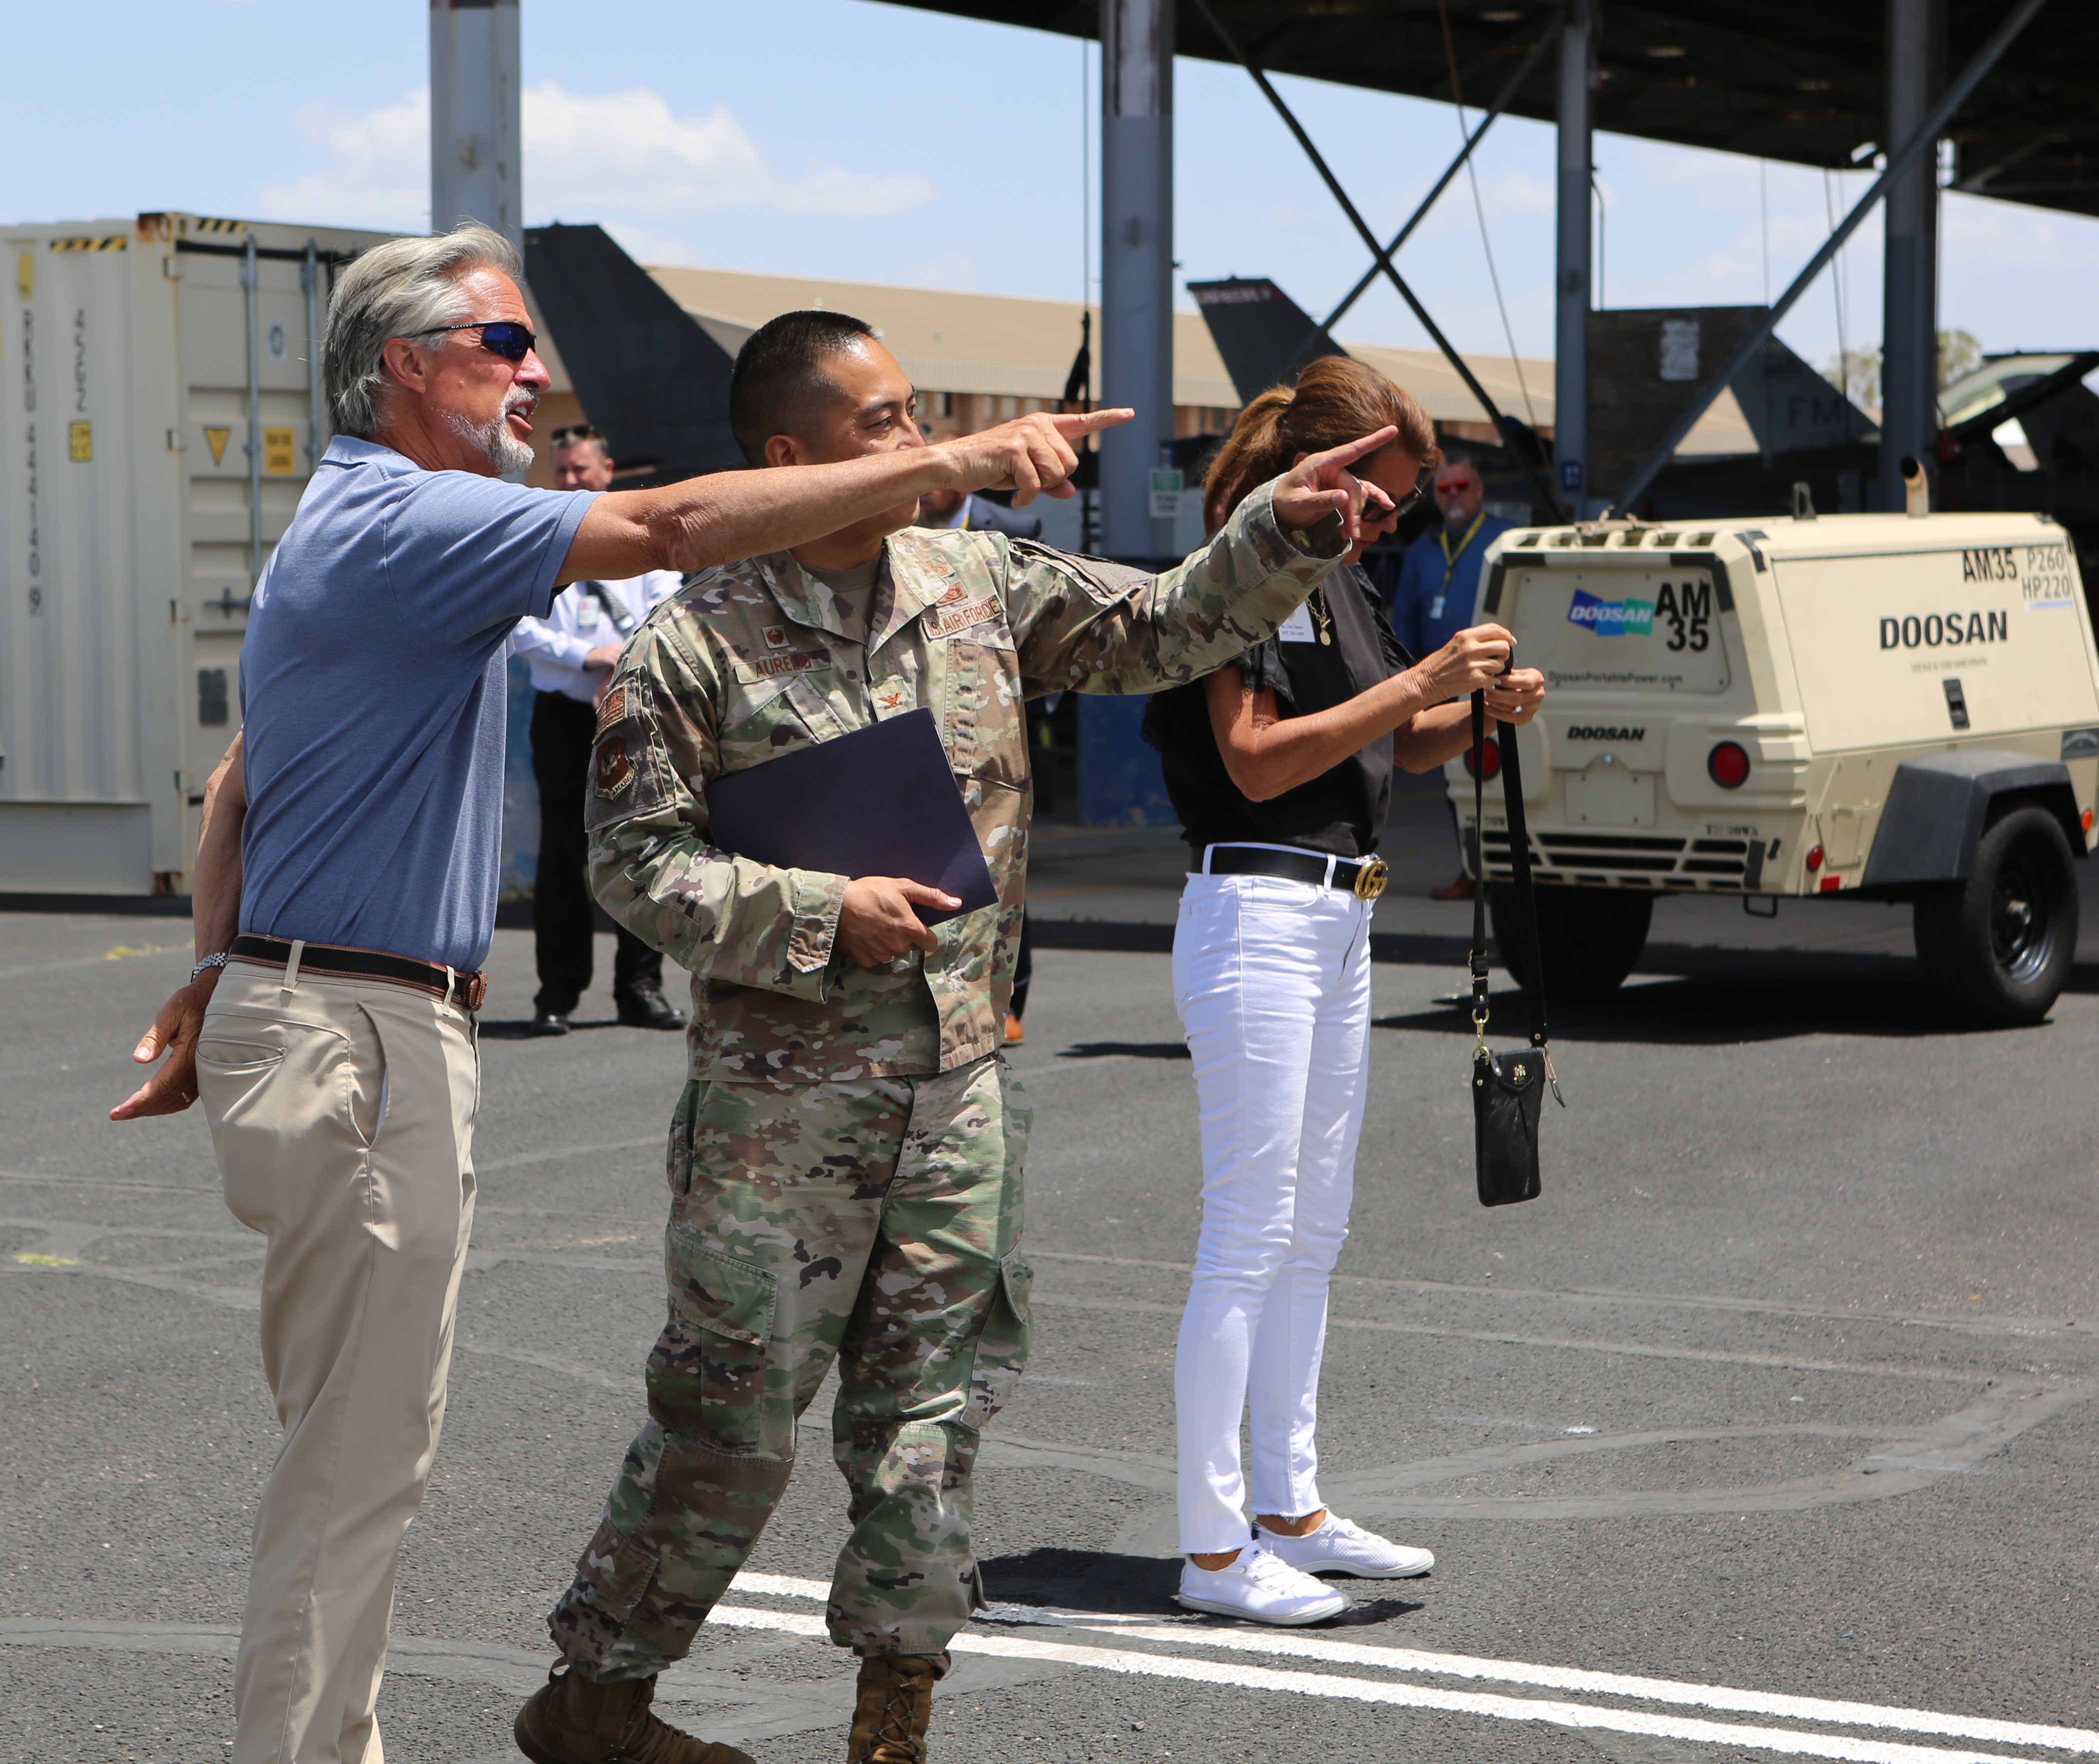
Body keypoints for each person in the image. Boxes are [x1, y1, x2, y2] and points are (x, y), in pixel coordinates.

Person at [108, 224, 1126, 1764]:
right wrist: (958, 457)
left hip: (331, 1015)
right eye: (504, 346)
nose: (536, 375)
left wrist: (215, 973)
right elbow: (675, 522)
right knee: (349, 1471)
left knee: (358, 1457)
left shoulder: (362, 524)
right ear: (402, 366)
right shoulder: (407, 513)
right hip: (360, 1031)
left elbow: (242, 781)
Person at [515, 310, 1395, 1764]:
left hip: (955, 1100)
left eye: (915, 412)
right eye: (881, 423)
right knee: (727, 1426)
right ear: (788, 457)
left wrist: (1278, 535)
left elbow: (1157, 629)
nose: (916, 443)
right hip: (774, 1121)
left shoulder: (973, 579)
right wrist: (817, 911)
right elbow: (630, 867)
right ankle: (598, 1699)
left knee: (932, 1427)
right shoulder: (695, 642)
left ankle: (892, 1722)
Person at [1143, 358, 1545, 1627]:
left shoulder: (1338, 578)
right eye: (1374, 501)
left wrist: (1466, 707)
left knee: (1313, 1232)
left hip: (1334, 913)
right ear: (1316, 468)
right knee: (1248, 1236)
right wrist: (1417, 684)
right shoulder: (1243, 570)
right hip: (1255, 902)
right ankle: (1212, 1554)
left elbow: (1383, 741)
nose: (1383, 524)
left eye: (1396, 509)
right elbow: (1253, 764)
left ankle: (1289, 1510)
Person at [509, 424, 686, 1034]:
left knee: (642, 840)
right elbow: (517, 626)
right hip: (562, 713)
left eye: (581, 470)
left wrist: (623, 665)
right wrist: (586, 657)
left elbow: (664, 613)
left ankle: (640, 987)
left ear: (607, 471)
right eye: (561, 471)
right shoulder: (535, 536)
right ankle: (555, 991)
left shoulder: (637, 534)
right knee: (562, 852)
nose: (570, 482)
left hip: (631, 708)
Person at [1390, 452, 1515, 900]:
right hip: (1440, 684)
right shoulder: (1424, 549)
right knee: (1456, 785)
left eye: (1461, 487)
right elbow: (1403, 617)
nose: (1454, 496)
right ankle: (1473, 869)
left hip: (1493, 685)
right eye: (1444, 489)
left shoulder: (1504, 542)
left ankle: (1505, 870)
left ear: (1478, 490)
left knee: (1499, 779)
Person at [916, 479, 1043, 539]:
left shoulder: (1015, 530)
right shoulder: (904, 524)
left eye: (937, 482)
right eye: (918, 479)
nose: (923, 491)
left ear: (963, 486)